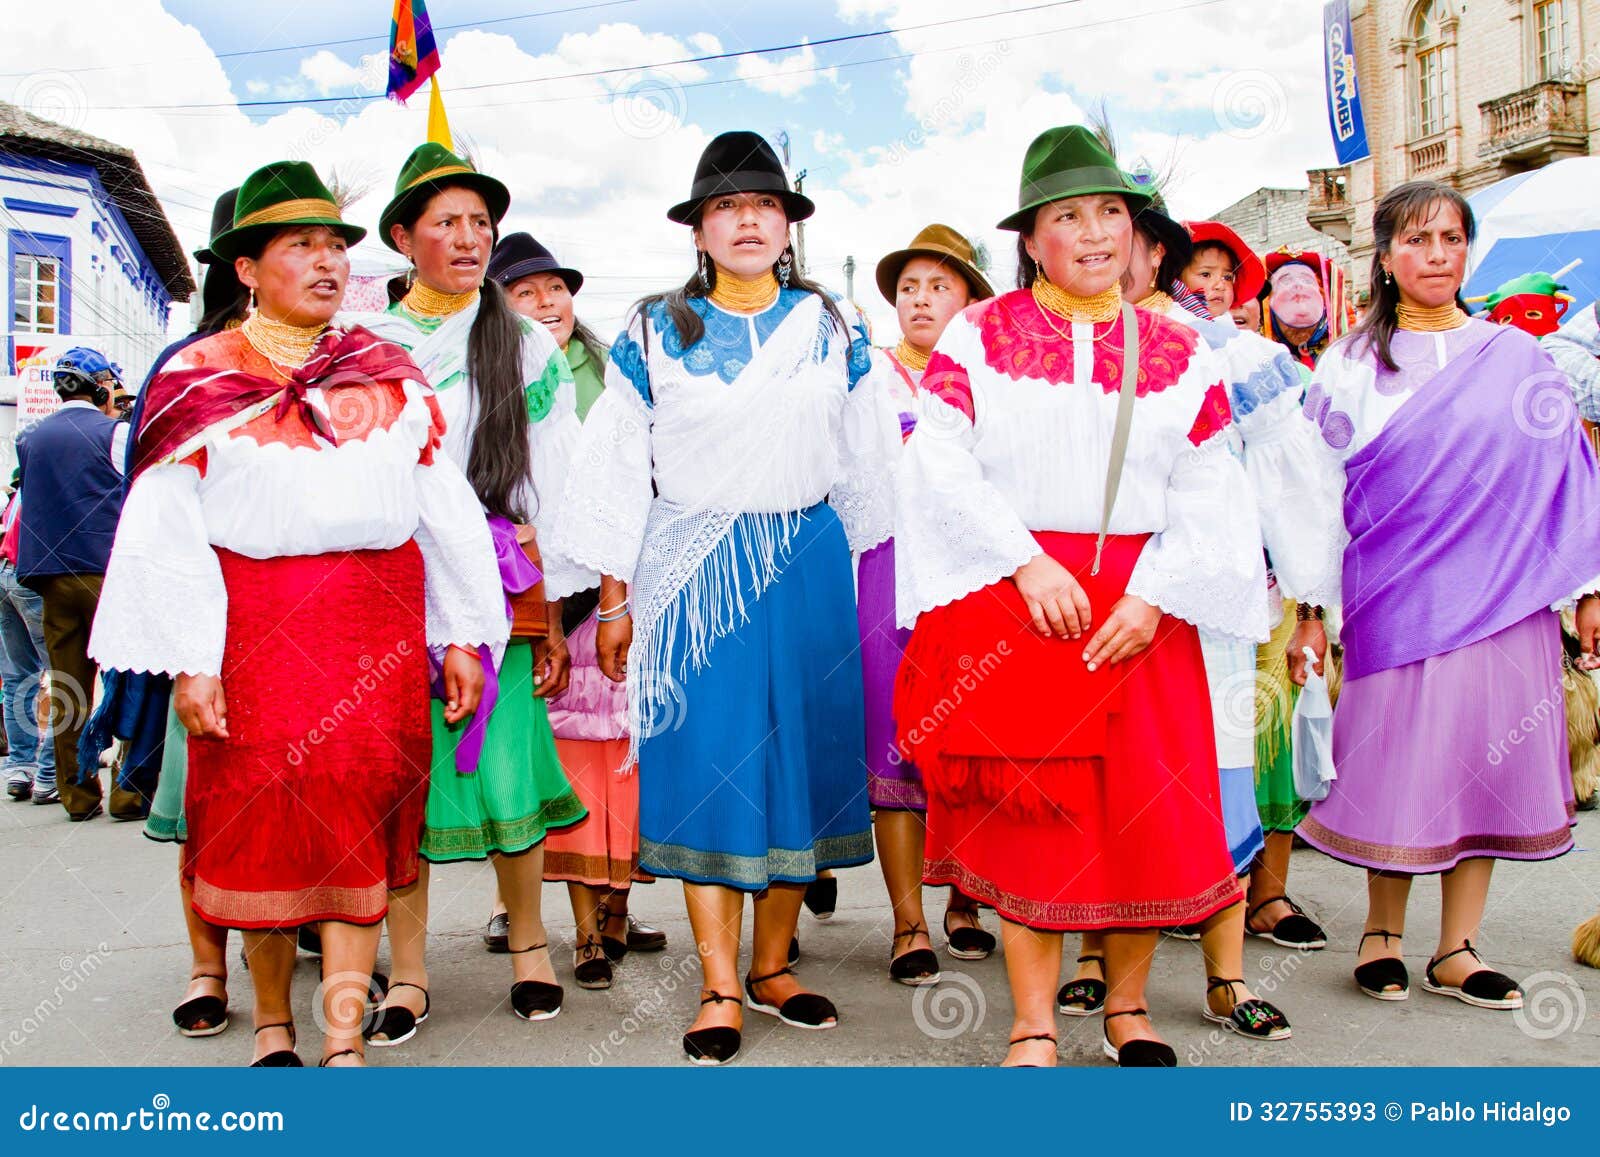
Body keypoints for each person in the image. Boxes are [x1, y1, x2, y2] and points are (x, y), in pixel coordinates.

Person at [88, 160, 504, 1066]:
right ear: (247, 268)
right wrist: (194, 659)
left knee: (359, 819)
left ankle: (343, 1033)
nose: (326, 262)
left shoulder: (387, 374)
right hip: (257, 631)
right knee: (260, 823)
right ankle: (273, 1020)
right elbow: (166, 532)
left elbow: (442, 507)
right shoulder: (199, 377)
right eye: (301, 245)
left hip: (373, 626)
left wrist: (463, 633)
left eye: (335, 246)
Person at [893, 125, 1266, 1067]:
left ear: (1135, 232)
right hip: (1023, 599)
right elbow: (939, 460)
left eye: (1110, 212)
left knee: (1145, 814)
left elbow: (1211, 482)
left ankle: (1127, 1008)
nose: (1095, 232)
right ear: (1031, 238)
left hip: (1144, 606)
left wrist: (1157, 595)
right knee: (1039, 821)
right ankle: (1032, 1021)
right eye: (1068, 215)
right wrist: (1024, 561)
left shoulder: (1181, 346)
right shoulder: (979, 334)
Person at [548, 130, 884, 1065]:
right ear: (698, 230)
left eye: (765, 205)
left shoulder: (835, 327)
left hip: (809, 558)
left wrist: (860, 580)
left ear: (788, 226)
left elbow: (867, 462)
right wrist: (614, 600)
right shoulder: (655, 329)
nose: (747, 220)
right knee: (710, 761)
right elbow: (618, 469)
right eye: (726, 207)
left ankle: (773, 966)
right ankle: (720, 983)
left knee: (803, 758)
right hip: (694, 571)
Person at [1272, 180, 1598, 1011]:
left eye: (1452, 238)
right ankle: (1381, 935)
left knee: (1481, 758)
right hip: (1394, 596)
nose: (1438, 255)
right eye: (1417, 240)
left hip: (1506, 597)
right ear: (1384, 257)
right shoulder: (1351, 364)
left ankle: (1457, 947)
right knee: (1401, 762)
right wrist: (1310, 608)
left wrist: (1590, 590)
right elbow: (1313, 490)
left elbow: (1568, 478)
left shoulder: (1519, 358)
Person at [354, 144, 588, 1039]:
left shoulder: (524, 344)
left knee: (508, 765)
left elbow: (551, 484)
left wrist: (554, 613)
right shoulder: (363, 348)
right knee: (401, 780)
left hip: (497, 585)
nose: (467, 238)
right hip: (392, 586)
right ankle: (409, 973)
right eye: (446, 222)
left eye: (480, 223)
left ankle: (530, 945)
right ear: (402, 238)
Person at [1057, 199, 1294, 1044]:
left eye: (1124, 234)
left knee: (1215, 785)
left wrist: (1304, 601)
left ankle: (1227, 977)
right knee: (1100, 785)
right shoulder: (1058, 348)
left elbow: (1283, 478)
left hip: (1205, 608)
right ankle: (1095, 958)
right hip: (1097, 604)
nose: (1103, 246)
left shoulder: (1226, 351)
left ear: (1155, 253)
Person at [488, 229, 668, 982]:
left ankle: (619, 904)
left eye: (555, 288)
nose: (546, 302)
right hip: (537, 590)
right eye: (525, 292)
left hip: (623, 582)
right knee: (559, 752)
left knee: (624, 749)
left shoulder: (612, 368)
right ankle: (562, 918)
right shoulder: (493, 373)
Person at [1175, 219, 1331, 955]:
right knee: (1192, 743)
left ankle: (1266, 893)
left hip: (1265, 582)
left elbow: (1299, 484)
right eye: (1198, 273)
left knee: (1268, 735)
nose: (1211, 288)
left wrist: (1309, 599)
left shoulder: (1263, 364)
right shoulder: (1159, 353)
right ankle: (1192, 889)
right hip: (1183, 585)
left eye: (1224, 276)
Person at [859, 224, 996, 984]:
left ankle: (965, 900)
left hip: (969, 574)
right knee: (895, 742)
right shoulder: (869, 377)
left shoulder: (993, 374)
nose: (920, 300)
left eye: (938, 286)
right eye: (909, 287)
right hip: (887, 573)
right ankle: (908, 920)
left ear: (969, 300)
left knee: (968, 738)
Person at [14, 346, 135, 820]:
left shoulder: (30, 438)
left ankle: (78, 795)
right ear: (101, 388)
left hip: (49, 575)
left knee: (68, 687)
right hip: (105, 572)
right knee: (127, 680)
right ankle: (128, 791)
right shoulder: (115, 433)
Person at [0, 469, 54, 805]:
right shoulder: (46, 487)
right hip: (29, 576)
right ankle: (49, 774)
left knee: (18, 677)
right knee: (65, 676)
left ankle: (21, 768)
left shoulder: (17, 496)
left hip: (4, 573)